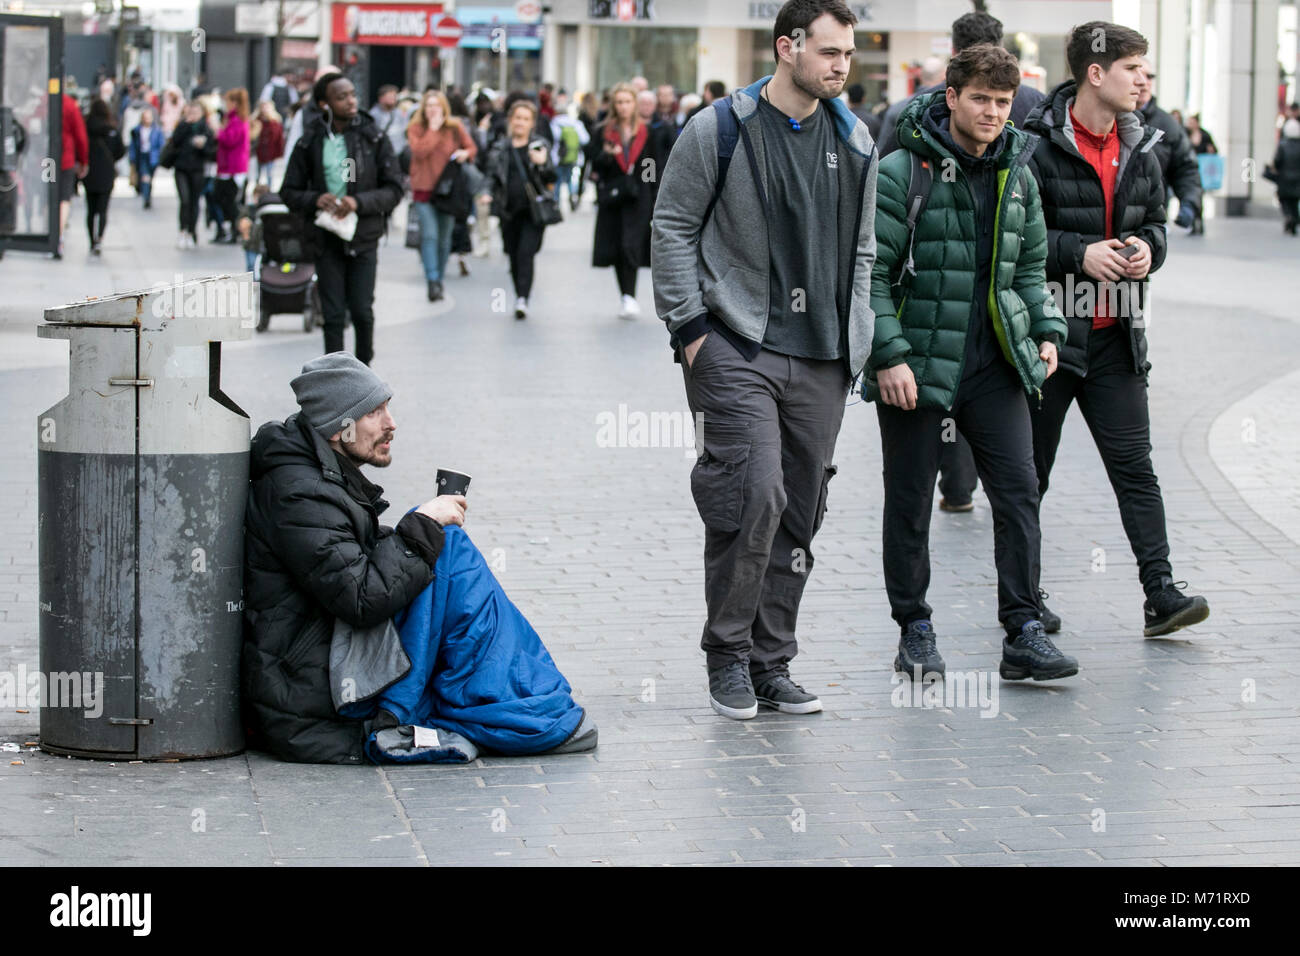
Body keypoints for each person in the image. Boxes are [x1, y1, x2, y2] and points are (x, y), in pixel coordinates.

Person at [651, 0, 878, 720]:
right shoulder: (719, 128)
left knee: (801, 511)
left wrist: (859, 341)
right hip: (735, 341)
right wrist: (691, 329)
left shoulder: (858, 140)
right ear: (788, 48)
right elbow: (673, 227)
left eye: (849, 53)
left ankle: (771, 661)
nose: (843, 65)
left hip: (824, 356)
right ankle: (727, 655)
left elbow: (866, 249)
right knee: (752, 494)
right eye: (831, 52)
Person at [242, 353, 597, 764]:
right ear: (340, 428)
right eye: (374, 413)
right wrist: (421, 527)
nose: (391, 423)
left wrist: (420, 531)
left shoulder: (311, 475)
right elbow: (360, 598)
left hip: (325, 654)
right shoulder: (300, 493)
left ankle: (525, 701)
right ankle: (527, 708)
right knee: (446, 550)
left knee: (445, 552)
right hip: (313, 689)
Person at [866, 44, 1075, 682]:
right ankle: (915, 630)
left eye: (1002, 102)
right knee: (909, 502)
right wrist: (889, 355)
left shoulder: (1019, 171)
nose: (991, 112)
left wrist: (1045, 328)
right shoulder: (903, 171)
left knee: (1018, 493)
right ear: (950, 96)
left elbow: (1032, 266)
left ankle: (1023, 629)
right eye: (979, 98)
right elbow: (869, 275)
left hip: (994, 363)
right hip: (919, 364)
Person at [1024, 21, 1211, 638]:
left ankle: (1161, 592)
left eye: (1146, 70)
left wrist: (1144, 250)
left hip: (1116, 337)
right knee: (1030, 476)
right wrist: (1079, 253)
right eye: (1135, 69)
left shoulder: (1142, 146)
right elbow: (1012, 240)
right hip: (1048, 341)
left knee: (1136, 468)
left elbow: (1157, 223)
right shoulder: (1034, 144)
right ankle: (1024, 602)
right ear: (1096, 74)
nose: (1145, 81)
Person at [281, 72, 404, 365]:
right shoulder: (310, 139)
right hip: (326, 237)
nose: (351, 101)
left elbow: (395, 188)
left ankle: (364, 376)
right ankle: (336, 378)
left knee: (362, 310)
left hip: (364, 236)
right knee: (333, 315)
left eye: (352, 94)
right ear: (325, 103)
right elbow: (288, 191)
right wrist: (315, 199)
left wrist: (358, 202)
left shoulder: (373, 136)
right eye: (341, 97)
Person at [587, 83, 657, 320]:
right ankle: (626, 296)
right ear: (614, 105)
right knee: (618, 246)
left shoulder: (647, 132)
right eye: (619, 102)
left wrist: (652, 194)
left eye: (628, 102)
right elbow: (594, 167)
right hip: (614, 197)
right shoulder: (602, 132)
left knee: (632, 244)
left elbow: (651, 166)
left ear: (634, 104)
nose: (624, 106)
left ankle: (630, 296)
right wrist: (608, 155)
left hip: (639, 197)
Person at [485, 99, 558, 319]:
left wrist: (542, 163)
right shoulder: (500, 147)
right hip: (508, 210)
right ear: (510, 120)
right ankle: (520, 292)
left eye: (525, 119)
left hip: (533, 211)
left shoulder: (539, 146)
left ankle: (522, 298)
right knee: (514, 254)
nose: (520, 123)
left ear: (532, 123)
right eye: (517, 118)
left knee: (526, 253)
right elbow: (491, 175)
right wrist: (487, 193)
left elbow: (552, 177)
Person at [406, 89, 477, 302]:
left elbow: (472, 147)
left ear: (443, 107)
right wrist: (433, 130)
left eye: (436, 105)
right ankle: (433, 280)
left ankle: (440, 275)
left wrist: (465, 153)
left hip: (448, 191)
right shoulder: (416, 128)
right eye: (428, 105)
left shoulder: (454, 128)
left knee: (445, 239)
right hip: (423, 189)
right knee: (430, 235)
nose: (432, 109)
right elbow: (419, 151)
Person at [1137, 56, 1202, 234]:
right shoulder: (1111, 118)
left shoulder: (1168, 124)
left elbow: (1186, 168)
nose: (1143, 82)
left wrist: (1189, 203)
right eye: (1137, 74)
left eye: (1149, 77)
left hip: (1152, 221)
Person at [165, 100, 217, 248]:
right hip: (181, 168)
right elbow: (174, 141)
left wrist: (203, 146)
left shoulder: (205, 129)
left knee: (195, 202)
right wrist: (186, 126)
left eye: (196, 113)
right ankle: (182, 231)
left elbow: (211, 152)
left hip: (197, 170)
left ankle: (192, 232)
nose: (193, 116)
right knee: (184, 200)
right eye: (190, 112)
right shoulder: (182, 126)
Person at [81, 98, 124, 256]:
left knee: (91, 210)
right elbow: (120, 150)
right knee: (103, 209)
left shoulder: (86, 127)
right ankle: (99, 238)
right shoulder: (111, 129)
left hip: (90, 172)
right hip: (106, 172)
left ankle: (92, 240)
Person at [214, 88, 251, 243]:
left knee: (230, 202)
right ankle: (234, 230)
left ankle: (237, 231)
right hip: (229, 166)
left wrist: (218, 132)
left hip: (233, 167)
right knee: (227, 200)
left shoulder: (237, 120)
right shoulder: (233, 119)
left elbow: (230, 140)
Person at [56, 89, 89, 259]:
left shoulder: (42, 102)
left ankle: (50, 233)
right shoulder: (69, 104)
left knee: (50, 196)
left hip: (46, 161)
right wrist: (83, 161)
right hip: (66, 159)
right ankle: (58, 236)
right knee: (64, 199)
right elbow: (80, 136)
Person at [550, 96, 589, 209]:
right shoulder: (576, 123)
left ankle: (556, 200)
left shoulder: (554, 123)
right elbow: (585, 139)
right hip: (574, 156)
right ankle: (572, 196)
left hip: (557, 157)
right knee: (572, 179)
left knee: (557, 179)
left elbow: (553, 139)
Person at [128, 106, 165, 209]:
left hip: (153, 157)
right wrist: (132, 158)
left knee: (150, 178)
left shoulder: (157, 130)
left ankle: (148, 194)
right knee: (145, 177)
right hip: (142, 156)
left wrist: (160, 156)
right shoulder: (136, 130)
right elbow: (133, 146)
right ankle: (146, 198)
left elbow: (161, 145)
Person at [1268, 118, 1300, 234]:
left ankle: (1288, 217)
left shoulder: (1283, 144)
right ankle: (1294, 219)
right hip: (1297, 179)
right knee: (1295, 200)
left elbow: (1277, 160)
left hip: (1284, 178)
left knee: (1284, 199)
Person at [251, 100, 285, 187]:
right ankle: (257, 191)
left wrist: (280, 152)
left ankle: (269, 192)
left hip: (270, 152)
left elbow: (279, 138)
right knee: (257, 175)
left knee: (270, 174)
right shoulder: (256, 121)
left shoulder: (275, 121)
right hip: (259, 152)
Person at [370, 84, 408, 157]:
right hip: (383, 153)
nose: (393, 99)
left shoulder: (399, 113)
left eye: (394, 96)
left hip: (399, 152)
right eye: (390, 96)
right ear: (381, 98)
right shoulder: (374, 114)